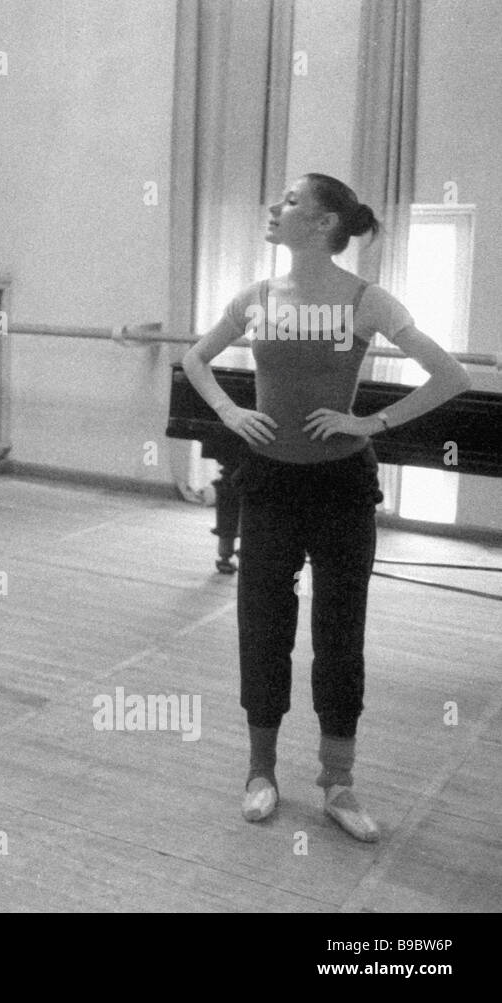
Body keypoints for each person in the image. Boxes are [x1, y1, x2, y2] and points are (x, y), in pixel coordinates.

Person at [181, 173, 470, 842]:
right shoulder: (255, 297)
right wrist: (229, 409)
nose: (275, 208)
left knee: (340, 633)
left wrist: (374, 422)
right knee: (263, 624)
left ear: (322, 223)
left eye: (289, 201)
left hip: (340, 487)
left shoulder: (368, 301)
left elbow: (451, 373)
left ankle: (338, 782)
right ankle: (261, 772)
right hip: (271, 485)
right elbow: (197, 359)